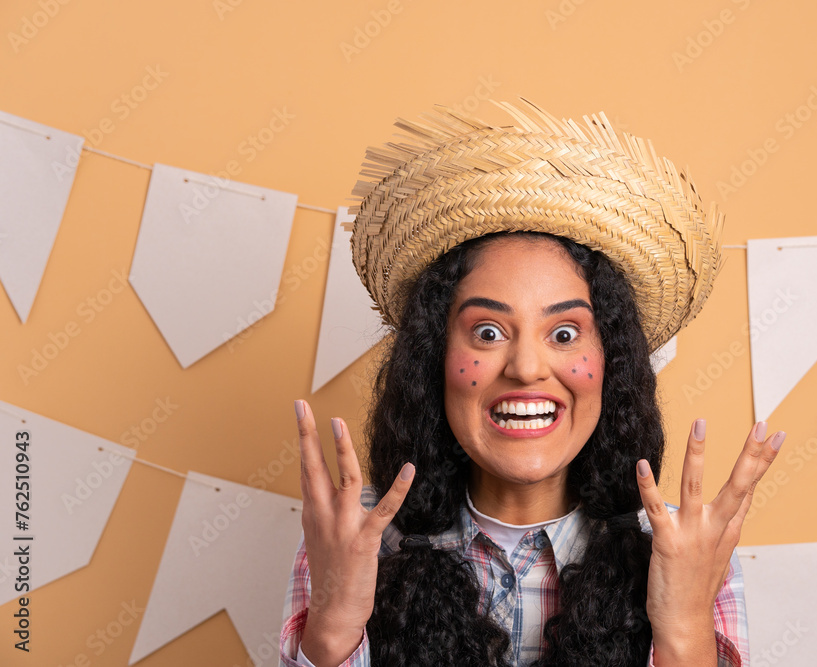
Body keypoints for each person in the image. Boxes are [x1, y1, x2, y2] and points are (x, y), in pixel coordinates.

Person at [278, 99, 784, 667]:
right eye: (488, 331)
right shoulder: (354, 535)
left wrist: (686, 626)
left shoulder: (683, 545)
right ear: (434, 358)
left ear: (611, 361)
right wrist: (334, 625)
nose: (525, 367)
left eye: (564, 334)